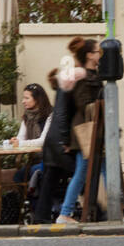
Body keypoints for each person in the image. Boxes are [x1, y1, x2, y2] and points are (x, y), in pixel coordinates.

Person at [31, 57, 86, 224]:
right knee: (81, 172)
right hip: (59, 141)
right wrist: (65, 141)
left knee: (50, 179)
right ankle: (95, 209)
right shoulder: (68, 85)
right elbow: (62, 115)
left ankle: (41, 217)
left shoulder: (64, 85)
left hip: (52, 140)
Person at [56, 37, 103, 222]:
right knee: (83, 171)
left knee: (106, 168)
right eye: (98, 52)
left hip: (92, 130)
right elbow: (83, 105)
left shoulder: (94, 75)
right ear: (90, 55)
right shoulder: (83, 77)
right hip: (86, 130)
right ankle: (65, 213)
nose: (100, 54)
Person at [10, 83, 52, 207]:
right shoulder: (27, 116)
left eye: (27, 98)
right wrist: (15, 141)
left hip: (49, 159)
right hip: (33, 159)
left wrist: (20, 143)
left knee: (34, 172)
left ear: (38, 99)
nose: (23, 101)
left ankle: (40, 208)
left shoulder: (49, 115)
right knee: (18, 176)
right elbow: (21, 137)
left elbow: (42, 141)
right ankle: (33, 208)